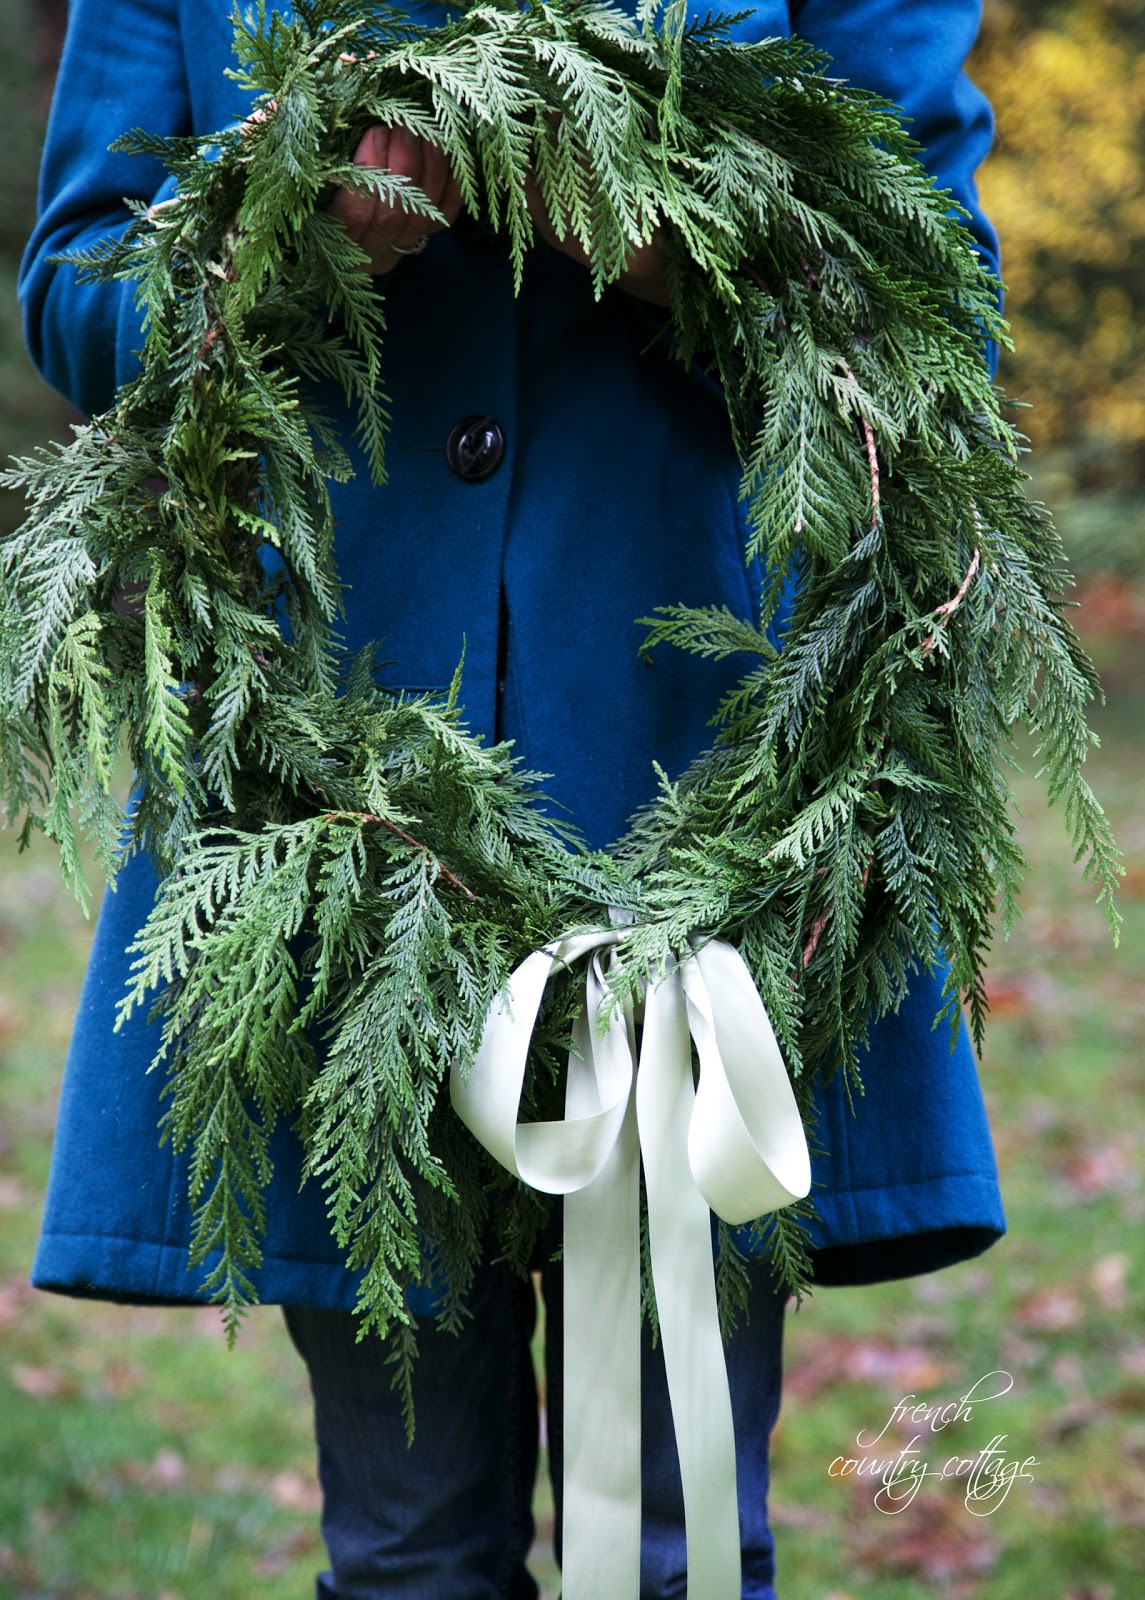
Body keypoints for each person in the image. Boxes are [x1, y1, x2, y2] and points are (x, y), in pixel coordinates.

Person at [20, 2, 1006, 1595]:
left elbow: (936, 314)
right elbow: (78, 300)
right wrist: (304, 239)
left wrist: (657, 230)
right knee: (406, 1541)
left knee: (668, 1540)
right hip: (332, 815)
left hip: (692, 803)